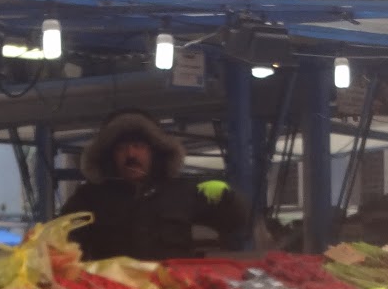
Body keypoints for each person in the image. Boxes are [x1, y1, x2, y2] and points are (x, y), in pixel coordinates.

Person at [59, 110, 249, 262]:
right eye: (121, 148)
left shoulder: (182, 191)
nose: (130, 154)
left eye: (138, 146)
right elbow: (63, 242)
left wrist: (228, 199)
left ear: (155, 152)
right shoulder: (89, 198)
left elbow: (236, 224)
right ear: (109, 156)